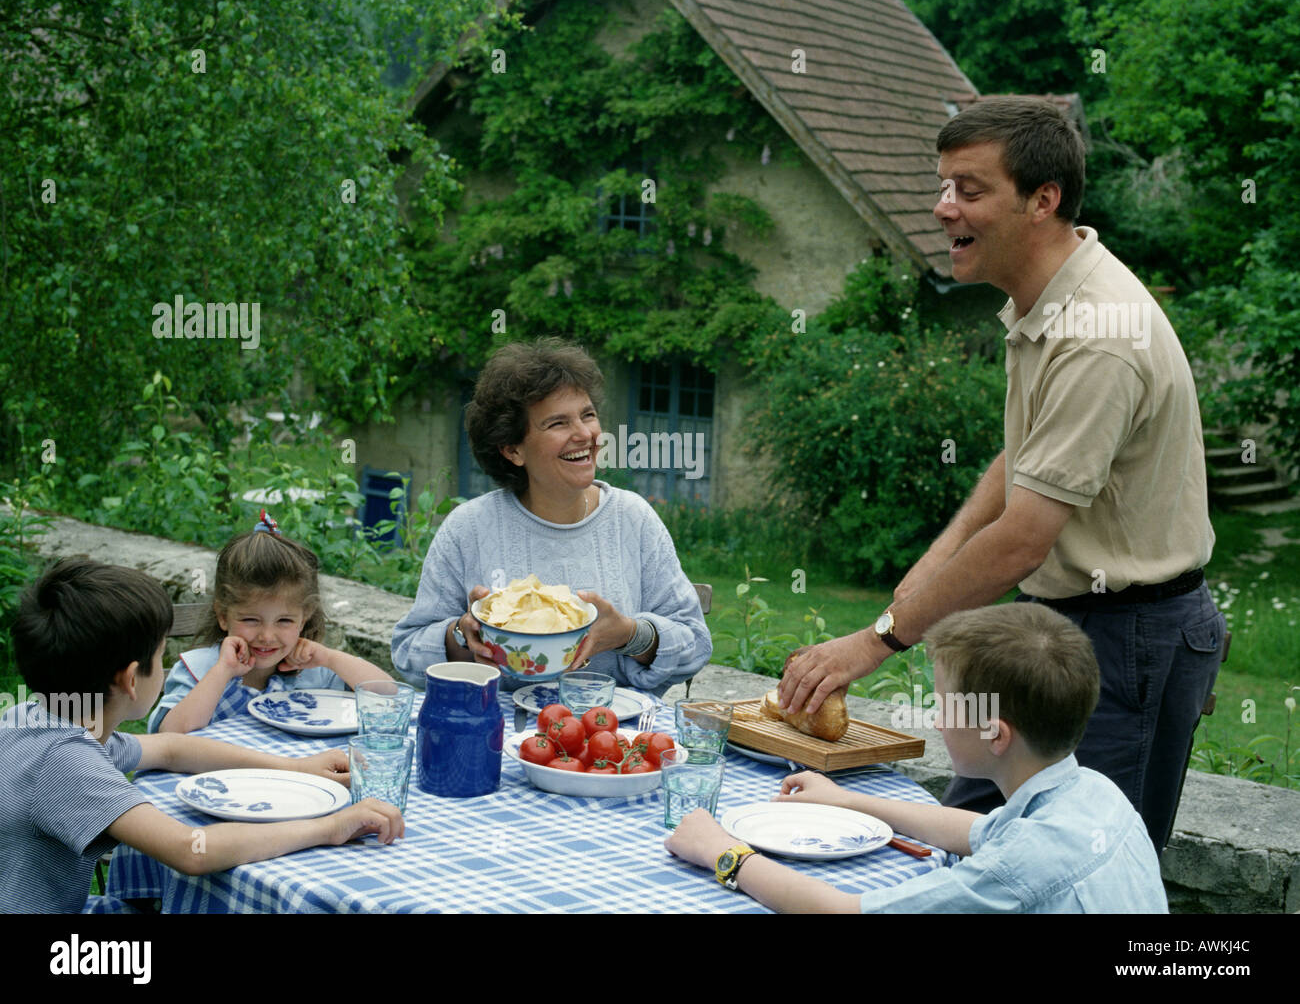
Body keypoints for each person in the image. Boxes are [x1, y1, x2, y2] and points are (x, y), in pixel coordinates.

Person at [777, 97, 1223, 851]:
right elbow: (1021, 463)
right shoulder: (1045, 302)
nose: (942, 205)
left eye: (969, 189)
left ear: (1042, 200)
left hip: (1130, 637)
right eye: (944, 184)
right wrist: (929, 571)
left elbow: (1023, 536)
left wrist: (878, 638)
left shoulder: (1096, 334)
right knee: (968, 846)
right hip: (1051, 623)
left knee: (1078, 868)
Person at [667, 603, 1167, 913]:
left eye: (946, 705)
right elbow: (973, 830)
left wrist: (722, 852)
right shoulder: (1099, 797)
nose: (935, 717)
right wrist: (847, 799)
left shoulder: (1015, 871)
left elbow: (844, 912)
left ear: (995, 732)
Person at [1, 559, 403, 914]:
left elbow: (173, 749)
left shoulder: (40, 718)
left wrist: (296, 768)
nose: (167, 665)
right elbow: (191, 850)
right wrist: (330, 827)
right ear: (130, 679)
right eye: (162, 656)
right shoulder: (65, 763)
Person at [392, 338, 711, 694]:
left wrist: (630, 635)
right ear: (513, 449)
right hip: (498, 732)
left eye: (588, 415)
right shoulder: (468, 528)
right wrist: (462, 636)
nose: (585, 434)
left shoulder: (632, 519)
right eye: (558, 423)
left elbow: (695, 643)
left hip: (611, 736)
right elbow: (407, 653)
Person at [148, 510, 391, 734]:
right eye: (251, 619)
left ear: (304, 618)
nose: (266, 635)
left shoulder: (312, 673)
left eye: (284, 620)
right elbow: (169, 734)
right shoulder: (200, 670)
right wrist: (222, 672)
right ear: (223, 615)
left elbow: (388, 695)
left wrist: (331, 658)